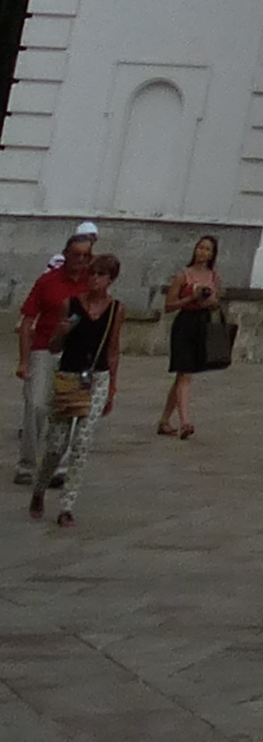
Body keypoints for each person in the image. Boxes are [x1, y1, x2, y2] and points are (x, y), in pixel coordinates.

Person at [26, 254, 123, 525]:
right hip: (69, 377)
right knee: (57, 444)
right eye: (91, 274)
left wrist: (112, 387)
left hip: (96, 378)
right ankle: (40, 487)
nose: (94, 279)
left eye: (100, 275)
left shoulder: (116, 309)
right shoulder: (71, 304)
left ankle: (67, 505)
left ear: (110, 280)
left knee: (82, 442)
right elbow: (55, 347)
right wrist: (62, 331)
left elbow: (113, 350)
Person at [17, 225, 99, 489]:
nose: (81, 261)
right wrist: (24, 360)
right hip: (43, 347)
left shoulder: (92, 283)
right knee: (36, 405)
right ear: (66, 254)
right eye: (77, 255)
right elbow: (28, 319)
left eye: (87, 256)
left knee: (67, 408)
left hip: (75, 353)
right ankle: (27, 464)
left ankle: (57, 467)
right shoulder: (47, 282)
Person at [158, 235, 226, 439]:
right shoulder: (183, 275)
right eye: (200, 248)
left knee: (183, 374)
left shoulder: (214, 277)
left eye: (207, 249)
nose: (203, 252)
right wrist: (191, 298)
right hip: (185, 323)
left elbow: (216, 302)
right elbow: (169, 305)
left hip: (202, 324)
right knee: (185, 372)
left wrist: (209, 300)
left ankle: (164, 420)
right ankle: (185, 422)